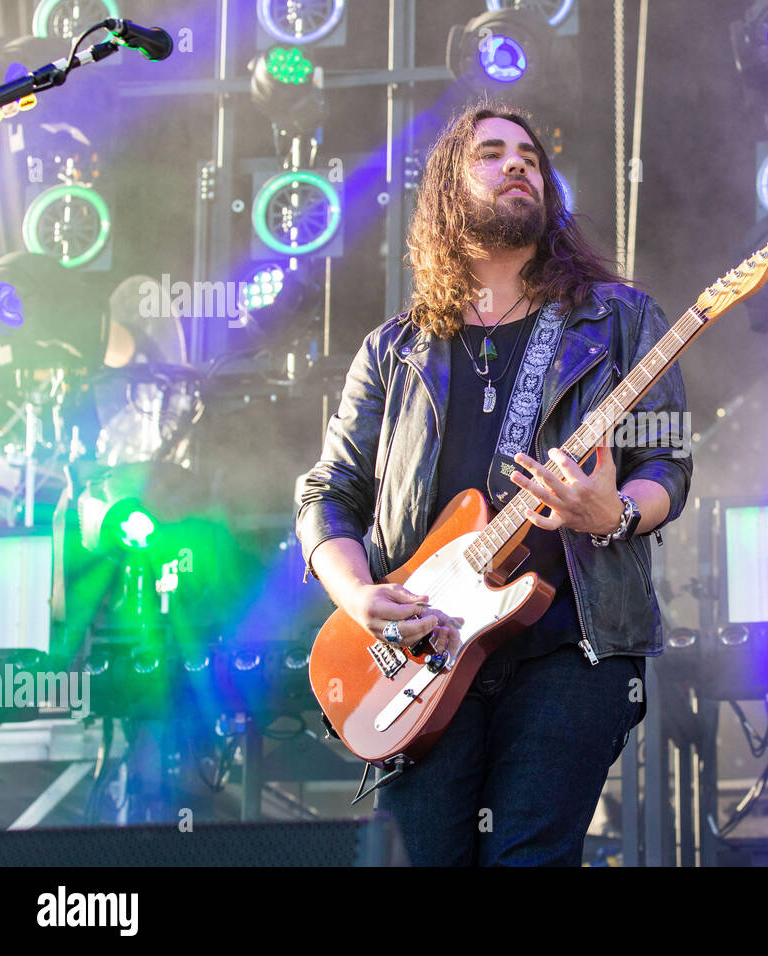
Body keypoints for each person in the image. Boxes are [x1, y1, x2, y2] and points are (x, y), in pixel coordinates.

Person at [294, 102, 692, 866]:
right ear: (449, 186)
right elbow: (328, 492)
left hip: (569, 647)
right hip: (422, 650)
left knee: (527, 860)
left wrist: (611, 514)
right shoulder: (395, 350)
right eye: (491, 153)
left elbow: (666, 466)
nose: (517, 164)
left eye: (529, 157)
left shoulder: (619, 322)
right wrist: (357, 596)